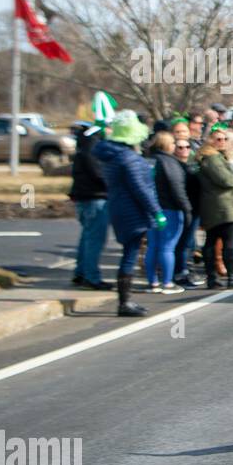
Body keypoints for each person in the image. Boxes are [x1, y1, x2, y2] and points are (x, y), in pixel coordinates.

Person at [91, 110, 164, 317]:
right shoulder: (128, 158)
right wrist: (157, 211)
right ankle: (124, 302)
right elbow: (140, 188)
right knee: (130, 255)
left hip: (120, 208)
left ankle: (126, 301)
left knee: (129, 254)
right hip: (132, 211)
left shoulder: (113, 156)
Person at [198, 126, 233, 290]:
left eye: (225, 139)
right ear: (209, 140)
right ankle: (228, 278)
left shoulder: (219, 157)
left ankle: (216, 277)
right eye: (218, 139)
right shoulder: (211, 158)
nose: (222, 142)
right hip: (221, 207)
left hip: (222, 205)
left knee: (216, 243)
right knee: (227, 244)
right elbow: (227, 180)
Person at [144, 131, 193, 294]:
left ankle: (153, 282)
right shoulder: (169, 162)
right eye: (173, 143)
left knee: (153, 246)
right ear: (166, 145)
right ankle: (167, 282)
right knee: (167, 247)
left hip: (151, 209)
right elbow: (177, 188)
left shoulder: (149, 160)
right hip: (170, 209)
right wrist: (187, 208)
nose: (175, 146)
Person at [69, 119, 112, 291]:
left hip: (86, 197)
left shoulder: (84, 146)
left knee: (87, 238)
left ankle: (81, 272)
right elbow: (99, 174)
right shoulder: (93, 148)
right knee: (95, 239)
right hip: (95, 198)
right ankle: (91, 277)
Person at [173, 133, 204, 288]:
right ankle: (180, 273)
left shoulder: (190, 166)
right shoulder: (175, 167)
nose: (184, 150)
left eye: (187, 147)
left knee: (187, 244)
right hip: (185, 209)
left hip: (194, 208)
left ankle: (184, 270)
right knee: (182, 244)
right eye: (180, 147)